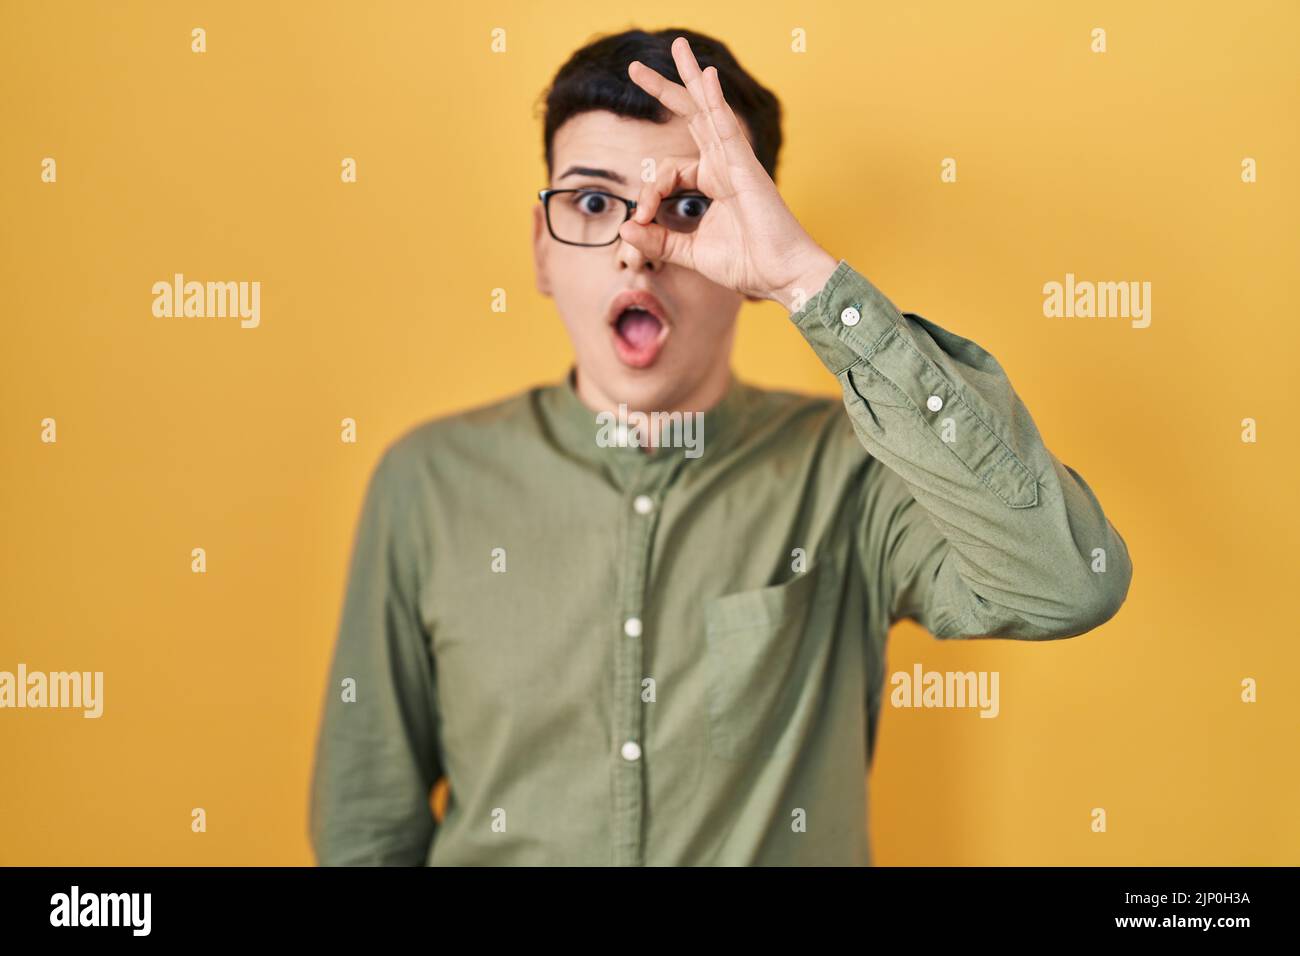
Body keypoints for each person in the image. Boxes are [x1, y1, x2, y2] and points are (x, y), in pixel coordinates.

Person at [308, 28, 1133, 866]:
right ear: (541, 248)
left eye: (689, 206)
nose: (637, 247)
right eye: (592, 203)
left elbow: (1069, 585)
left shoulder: (854, 472)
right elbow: (366, 823)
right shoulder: (428, 481)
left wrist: (806, 280)